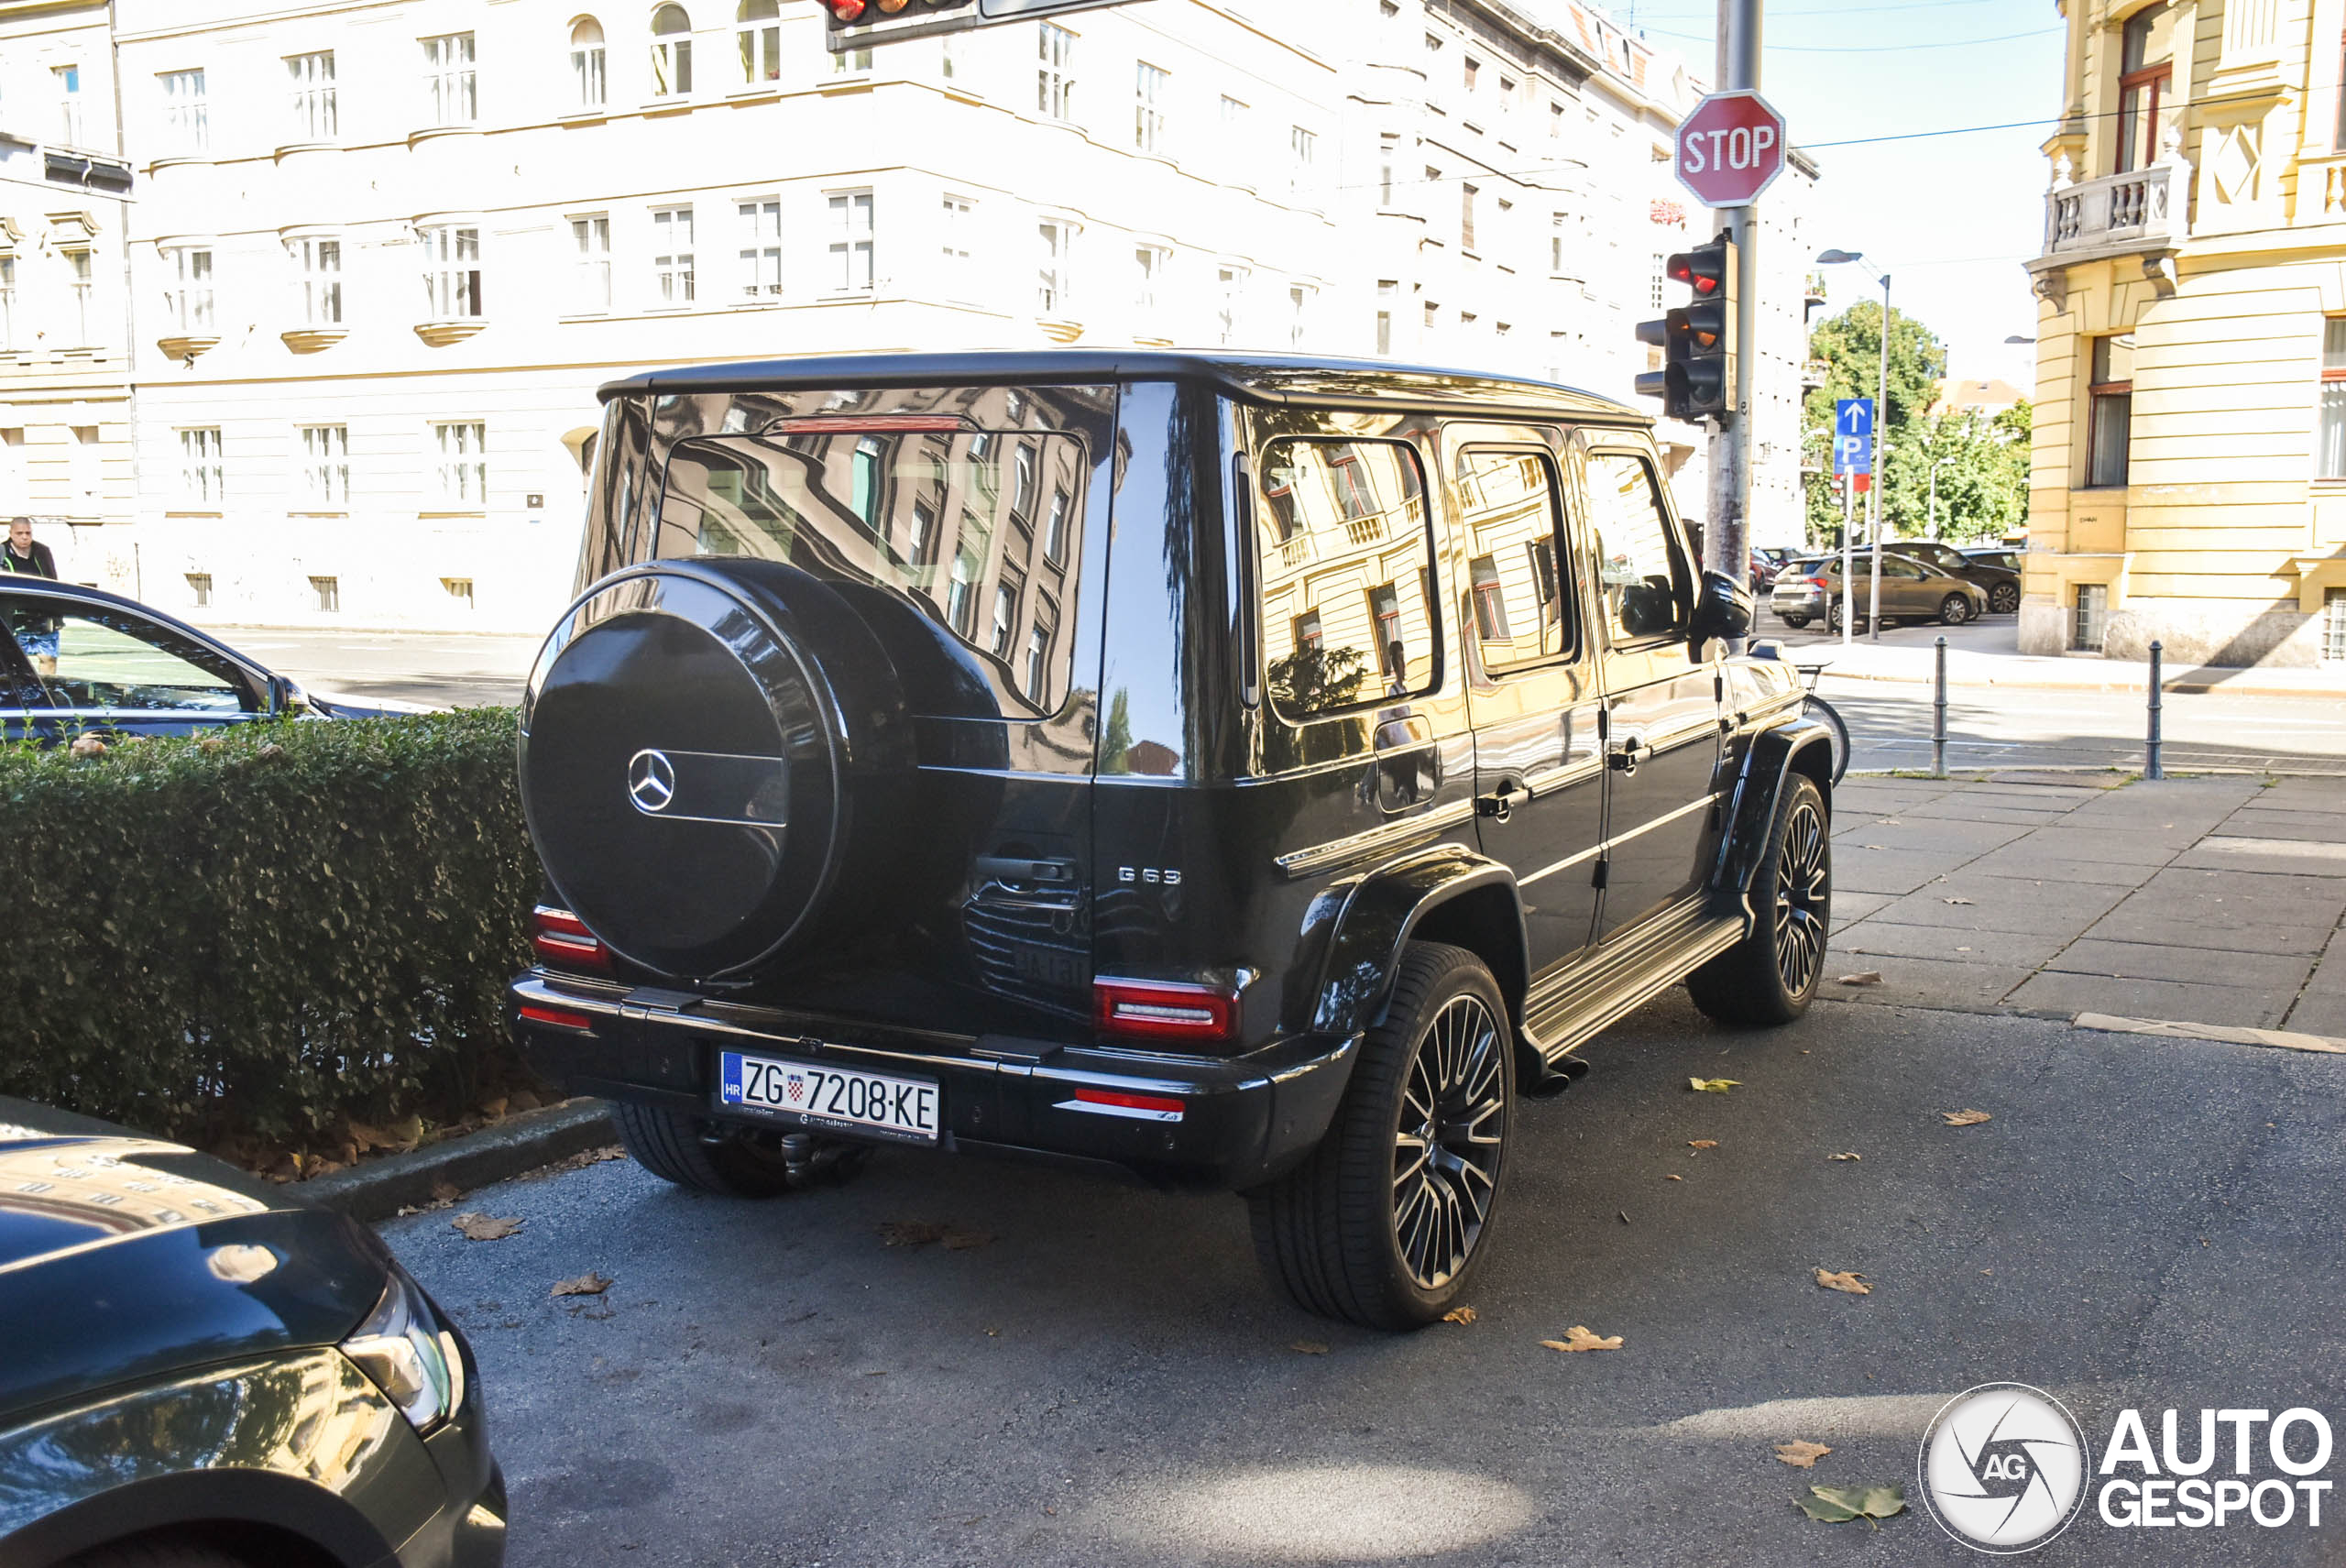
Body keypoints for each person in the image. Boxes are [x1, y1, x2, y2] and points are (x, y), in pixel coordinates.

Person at [2, 517, 60, 678]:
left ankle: (48, 691)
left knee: (48, 658)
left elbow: (53, 580)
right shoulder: (2, 552)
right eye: (19, 533)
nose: (24, 537)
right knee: (11, 664)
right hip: (12, 618)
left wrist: (57, 616)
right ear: (11, 533)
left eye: (28, 533)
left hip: (41, 614)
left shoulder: (42, 551)